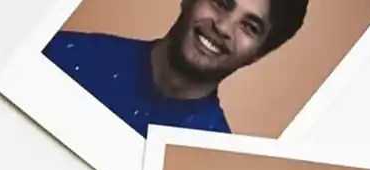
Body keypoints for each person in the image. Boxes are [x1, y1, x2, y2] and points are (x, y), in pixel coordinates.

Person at [42, 0, 309, 137]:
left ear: (258, 54)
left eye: (249, 27)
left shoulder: (202, 160)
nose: (223, 27)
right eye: (221, 2)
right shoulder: (64, 53)